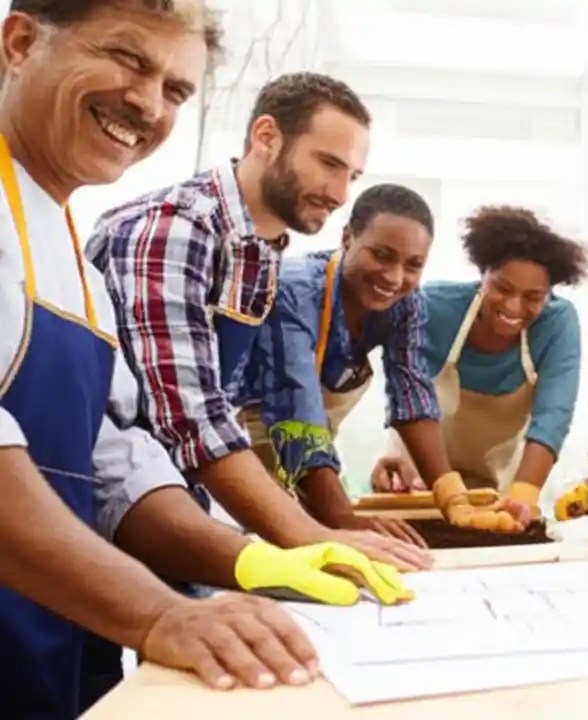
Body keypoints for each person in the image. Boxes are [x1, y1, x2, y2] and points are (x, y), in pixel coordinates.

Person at [0, 2, 409, 717]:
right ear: (20, 41)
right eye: (127, 59)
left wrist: (251, 557)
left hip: (48, 633)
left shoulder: (74, 262)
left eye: (176, 89)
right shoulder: (169, 229)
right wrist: (161, 610)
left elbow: (111, 458)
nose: (148, 104)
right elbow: (187, 416)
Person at [80, 71, 426, 703]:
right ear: (266, 137)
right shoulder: (176, 228)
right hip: (86, 512)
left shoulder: (261, 248)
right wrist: (310, 536)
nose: (340, 193)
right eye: (328, 164)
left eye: (352, 175)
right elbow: (191, 420)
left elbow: (226, 409)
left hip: (163, 503)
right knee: (83, 688)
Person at [235, 183, 529, 540]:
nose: (394, 277)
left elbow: (412, 395)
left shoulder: (405, 303)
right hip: (237, 451)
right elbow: (297, 413)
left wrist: (451, 495)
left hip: (307, 463)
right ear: (347, 238)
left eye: (413, 265)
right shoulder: (293, 292)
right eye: (382, 255)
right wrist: (341, 518)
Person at [375, 205, 588, 520]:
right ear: (483, 275)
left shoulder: (557, 324)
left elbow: (553, 417)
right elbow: (403, 390)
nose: (514, 306)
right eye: (502, 288)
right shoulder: (431, 308)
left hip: (494, 489)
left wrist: (523, 496)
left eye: (533, 297)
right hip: (419, 479)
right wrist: (431, 480)